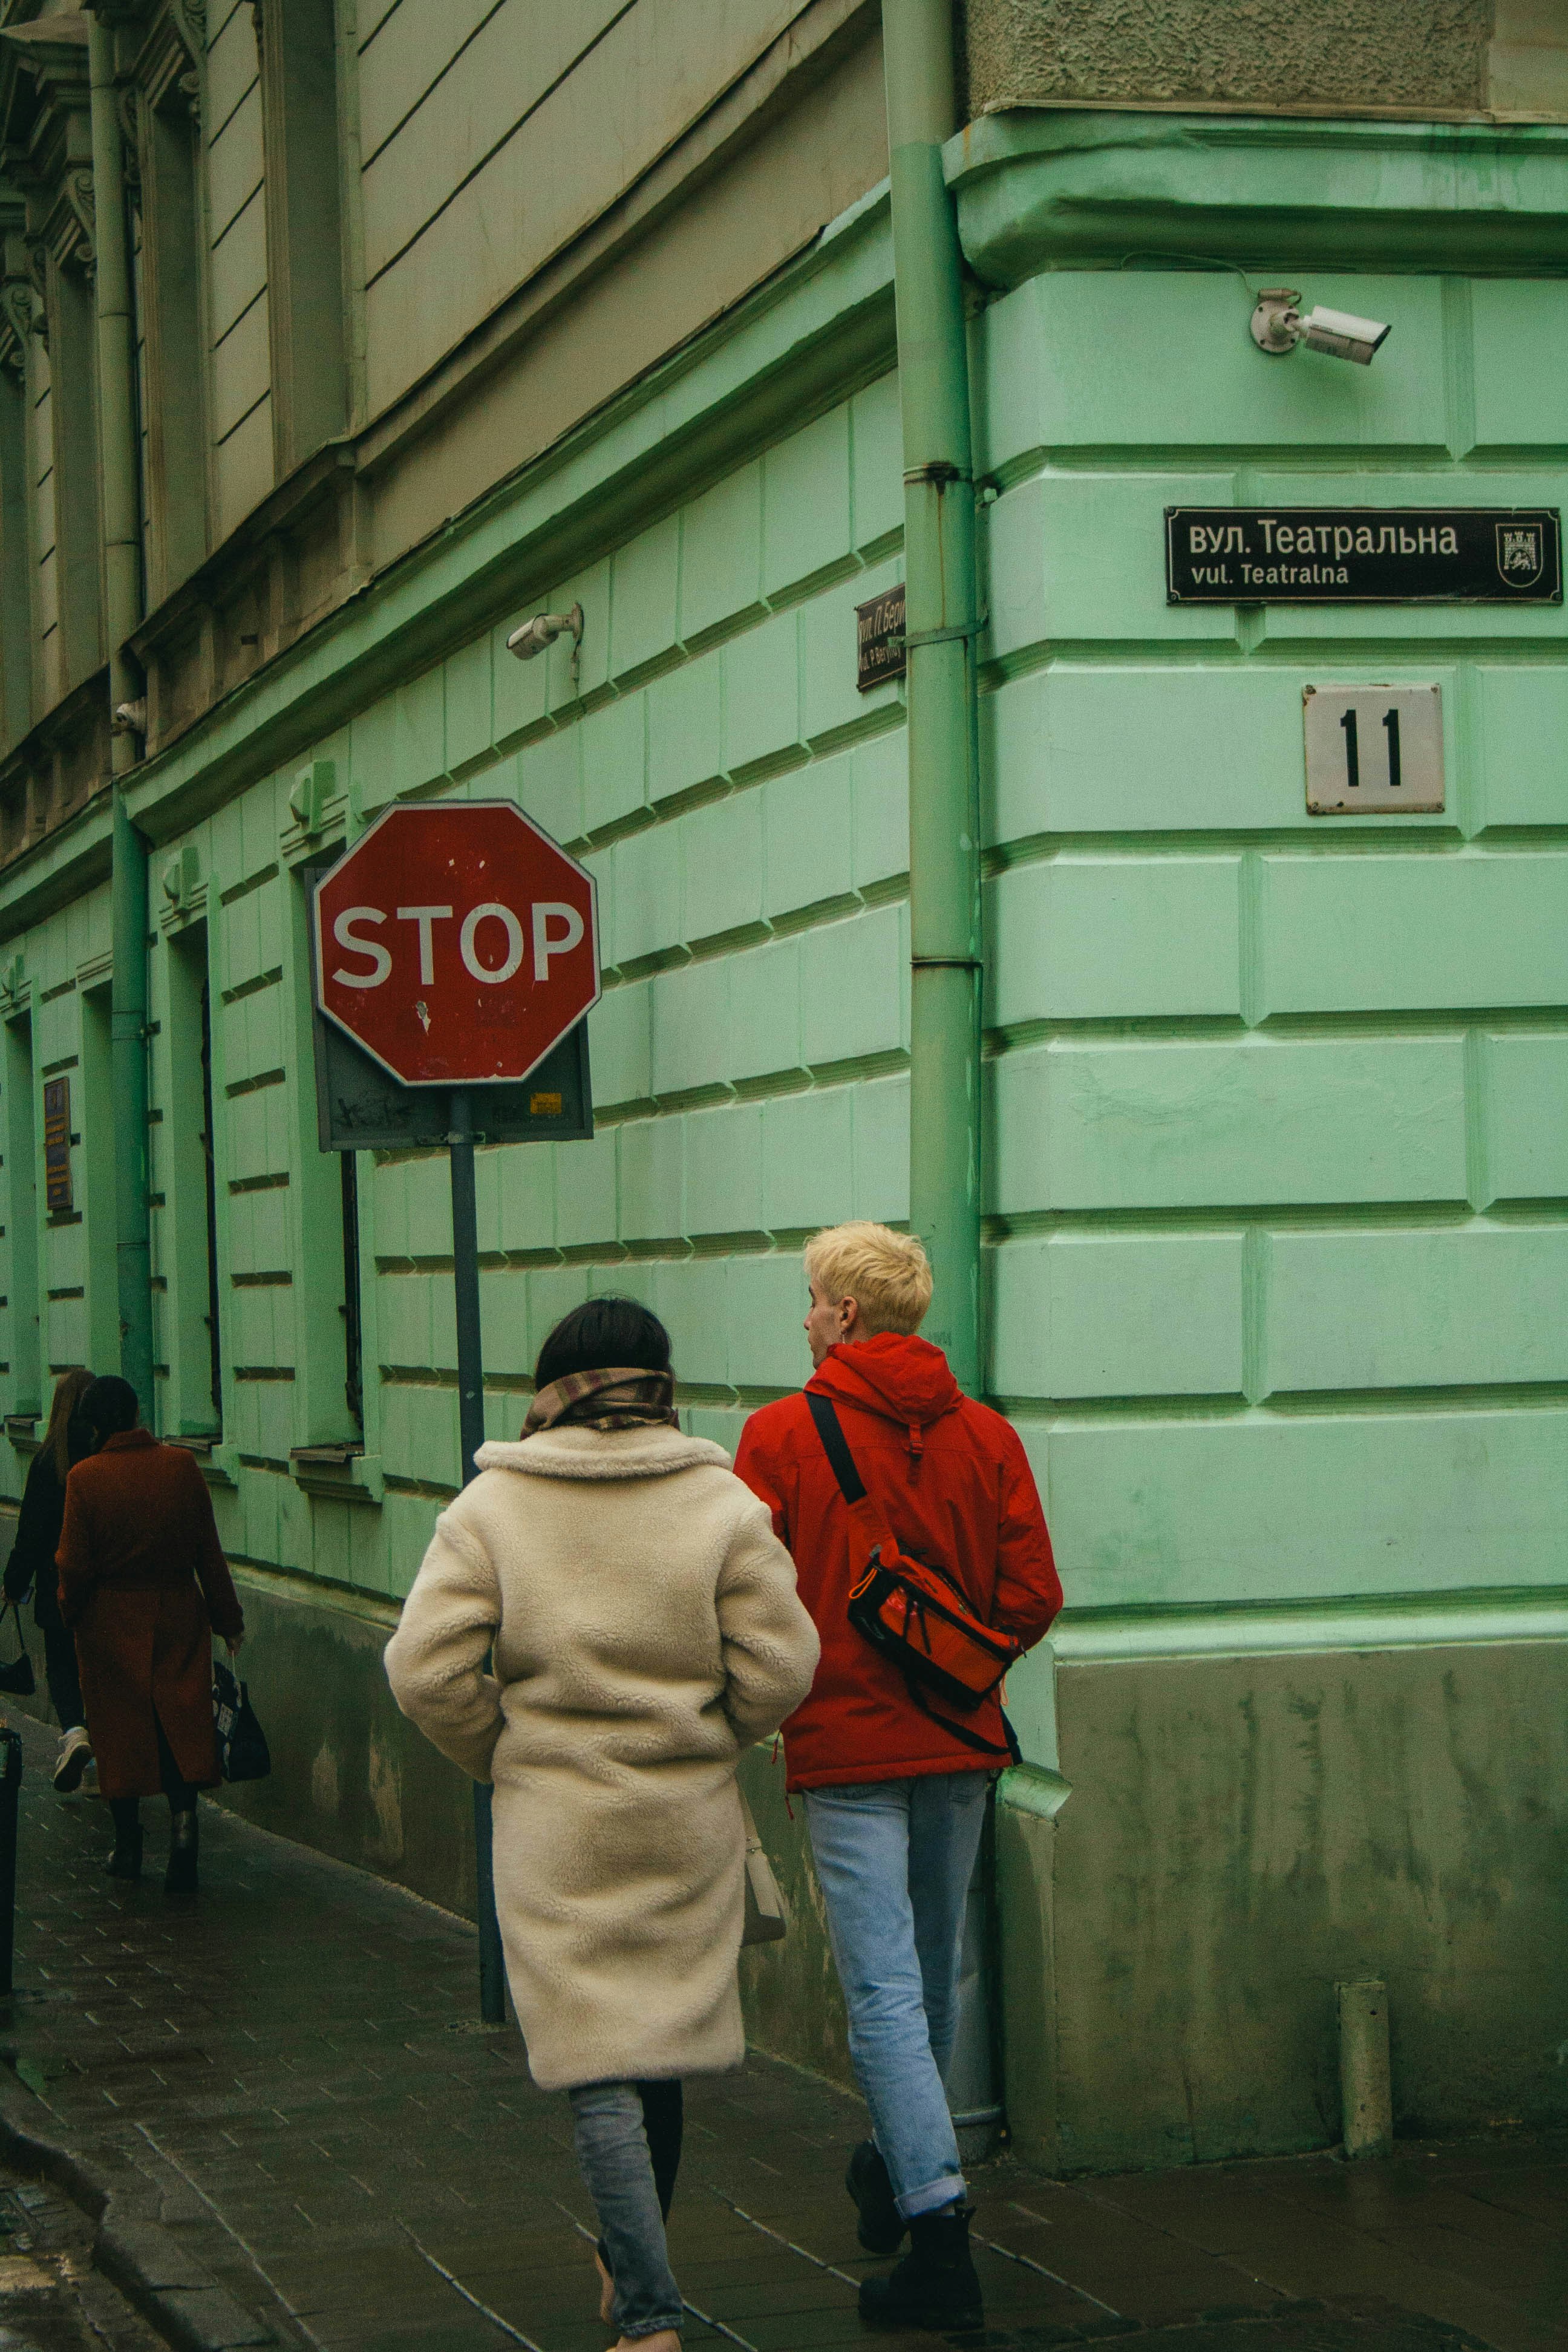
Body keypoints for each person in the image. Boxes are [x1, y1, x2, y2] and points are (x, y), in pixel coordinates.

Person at [385, 1298, 818, 2352]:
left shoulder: (493, 1506)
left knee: (593, 2062)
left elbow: (424, 1669)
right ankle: (632, 2271)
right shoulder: (722, 1503)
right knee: (655, 2049)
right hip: (683, 1819)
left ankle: (650, 2316)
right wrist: (709, 1733)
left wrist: (502, 1751)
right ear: (659, 1381)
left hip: (556, 1825)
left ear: (554, 1383)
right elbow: (784, 1665)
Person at [734, 1222, 1062, 2333]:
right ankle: (891, 2159)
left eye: (812, 1300)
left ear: (847, 1314)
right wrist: (961, 1661)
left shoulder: (779, 1436)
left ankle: (938, 2233)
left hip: (848, 1753)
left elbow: (744, 1596)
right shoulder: (988, 1435)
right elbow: (1033, 1595)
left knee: (882, 1991)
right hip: (961, 1744)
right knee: (928, 1978)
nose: (805, 1319)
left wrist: (794, 1687)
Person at [56, 1375, 245, 1894]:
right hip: (178, 1614)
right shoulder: (181, 1466)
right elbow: (208, 1551)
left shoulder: (85, 1478)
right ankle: (184, 1836)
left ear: (93, 1425)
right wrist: (228, 1621)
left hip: (110, 1623)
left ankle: (128, 1846)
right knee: (180, 1727)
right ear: (136, 1413)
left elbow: (73, 1563)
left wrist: (71, 1611)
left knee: (119, 1733)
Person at [3, 1367, 96, 1792]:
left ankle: (75, 1734)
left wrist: (13, 1582)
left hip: (57, 1585)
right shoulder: (103, 1457)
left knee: (61, 1664)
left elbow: (31, 1533)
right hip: (104, 1587)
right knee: (101, 1670)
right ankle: (104, 1760)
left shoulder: (47, 1462)